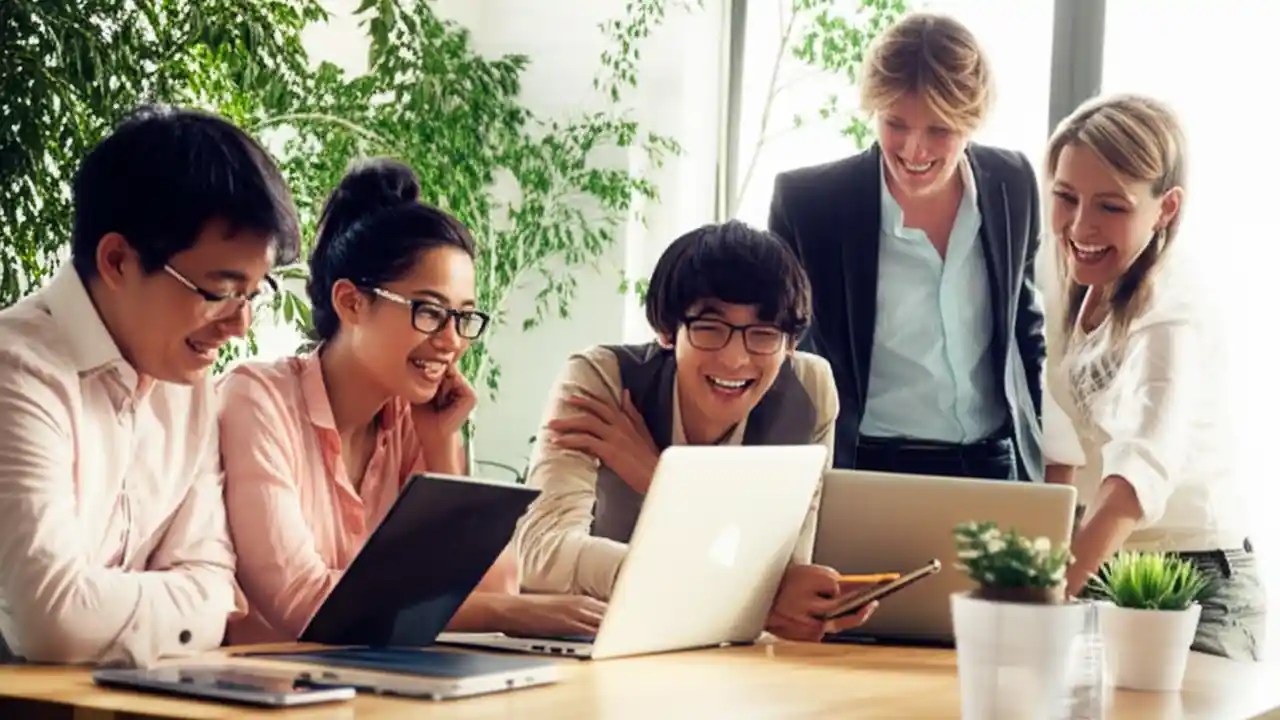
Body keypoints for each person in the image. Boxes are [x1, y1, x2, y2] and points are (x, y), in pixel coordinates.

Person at [219, 158, 603, 644]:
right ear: (351, 302)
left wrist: (442, 446)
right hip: (260, 700)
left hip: (374, 689)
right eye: (429, 311)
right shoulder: (257, 400)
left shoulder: (411, 420)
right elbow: (303, 600)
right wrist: (510, 614)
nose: (452, 340)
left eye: (464, 317)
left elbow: (494, 583)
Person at [0, 105, 299, 664]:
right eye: (219, 291)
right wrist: (187, 606)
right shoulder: (17, 370)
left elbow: (215, 583)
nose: (239, 325)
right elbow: (51, 620)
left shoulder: (184, 382)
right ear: (116, 260)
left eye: (254, 294)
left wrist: (110, 607)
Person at [515, 220, 879, 642]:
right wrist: (745, 589)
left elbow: (788, 575)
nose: (735, 359)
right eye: (710, 328)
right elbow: (543, 557)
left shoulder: (809, 392)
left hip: (725, 657)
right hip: (597, 643)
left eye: (763, 334)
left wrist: (659, 481)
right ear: (668, 331)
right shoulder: (603, 379)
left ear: (790, 344)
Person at [768, 12, 1045, 481]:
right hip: (868, 464)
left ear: (972, 120)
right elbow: (776, 349)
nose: (915, 151)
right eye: (896, 123)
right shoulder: (810, 205)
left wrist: (1044, 464)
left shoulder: (1012, 182)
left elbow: (1026, 332)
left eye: (939, 130)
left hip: (997, 464)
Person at [1042, 94, 1265, 660]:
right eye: (1066, 198)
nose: (1081, 225)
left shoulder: (1172, 308)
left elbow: (1136, 476)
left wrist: (1041, 601)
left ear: (1166, 208)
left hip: (1194, 583)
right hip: (1105, 569)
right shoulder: (1080, 281)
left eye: (1111, 207)